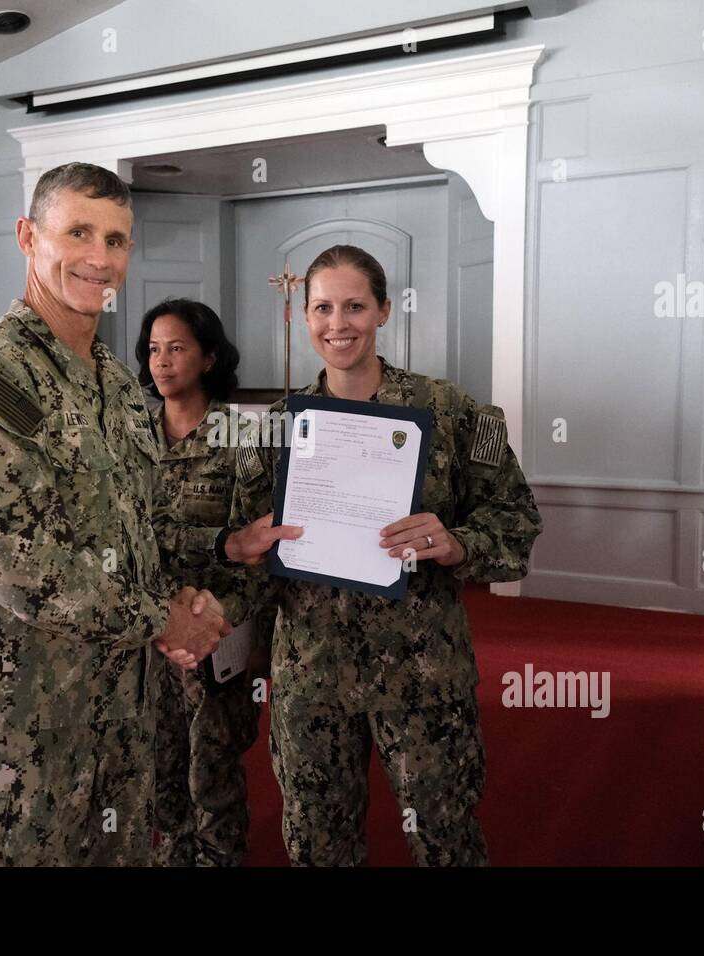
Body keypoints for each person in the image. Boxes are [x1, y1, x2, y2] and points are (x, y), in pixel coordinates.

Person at [0, 162, 231, 867]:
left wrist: (202, 572)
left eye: (117, 240)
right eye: (79, 233)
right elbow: (18, 564)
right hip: (15, 719)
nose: (100, 257)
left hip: (116, 706)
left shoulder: (117, 382)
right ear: (29, 237)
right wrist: (164, 619)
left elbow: (132, 525)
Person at [225, 244, 543, 866]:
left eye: (354, 306)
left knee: (445, 841)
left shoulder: (449, 413)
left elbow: (517, 525)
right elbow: (245, 550)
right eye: (322, 308)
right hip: (311, 678)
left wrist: (457, 545)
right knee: (319, 847)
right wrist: (244, 553)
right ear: (301, 316)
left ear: (384, 312)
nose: (337, 324)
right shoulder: (275, 429)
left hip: (421, 675)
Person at [137, 298, 268, 866]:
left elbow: (260, 554)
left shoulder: (243, 439)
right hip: (148, 631)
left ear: (209, 356)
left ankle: (219, 857)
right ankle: (173, 853)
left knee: (211, 770)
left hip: (216, 634)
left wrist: (217, 620)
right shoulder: (131, 436)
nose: (162, 362)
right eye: (153, 350)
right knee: (156, 761)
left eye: (177, 348)